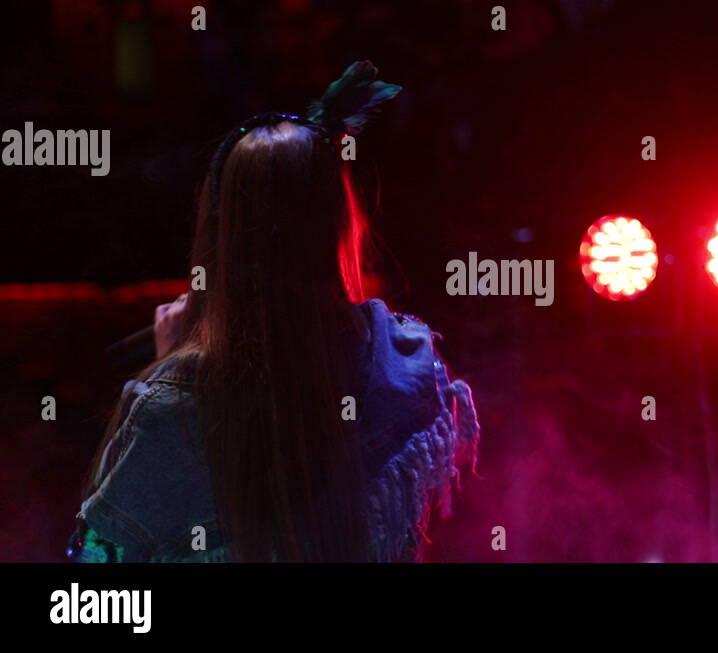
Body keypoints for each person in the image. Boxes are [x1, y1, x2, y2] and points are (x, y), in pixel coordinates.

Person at [68, 62, 480, 563]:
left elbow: (98, 577)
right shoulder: (407, 361)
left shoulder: (172, 408)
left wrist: (176, 369)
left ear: (222, 234)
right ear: (340, 223)